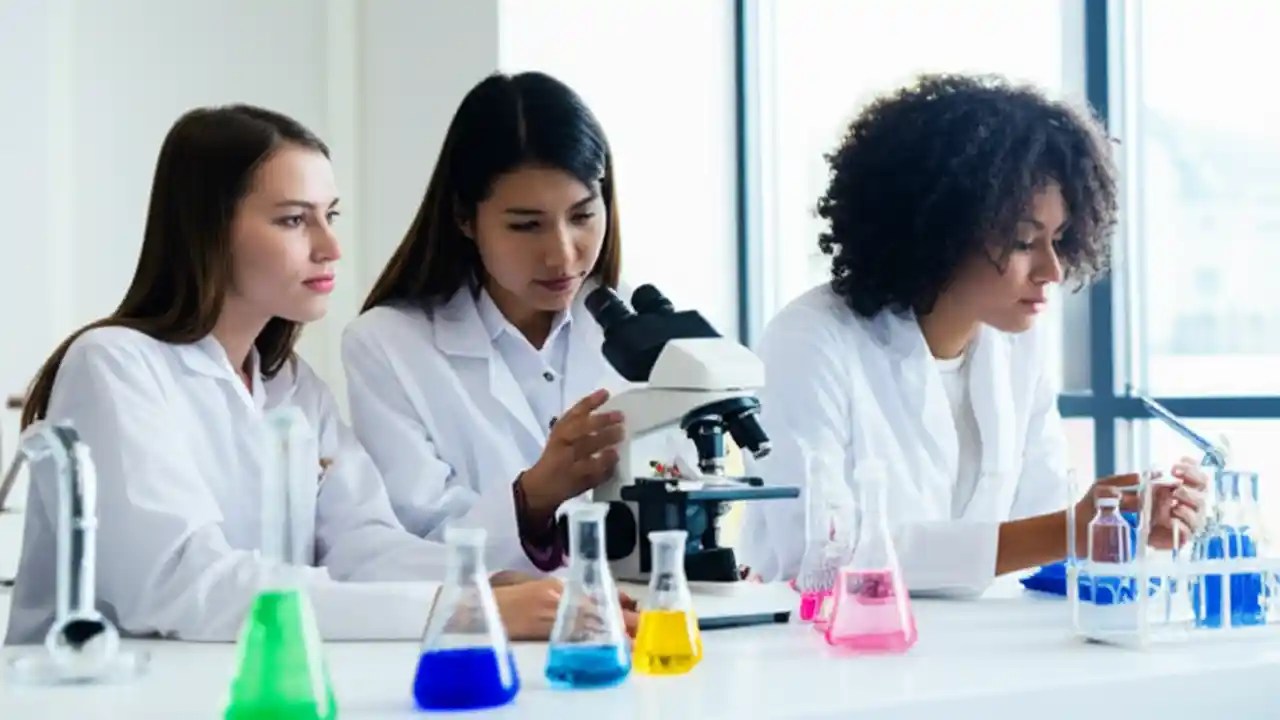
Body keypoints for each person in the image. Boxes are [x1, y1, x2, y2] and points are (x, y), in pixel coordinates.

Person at [5, 105, 594, 646]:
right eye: (293, 220)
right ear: (207, 232)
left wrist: (499, 585)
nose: (330, 246)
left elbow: (364, 549)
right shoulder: (114, 364)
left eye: (330, 216)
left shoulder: (291, 386)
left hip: (242, 689)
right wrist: (459, 608)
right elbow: (183, 586)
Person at [739, 74, 1207, 594]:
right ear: (941, 230)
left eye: (1059, 239)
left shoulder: (1016, 345)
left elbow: (1044, 537)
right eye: (1025, 241)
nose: (1052, 269)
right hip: (834, 661)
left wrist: (1124, 524)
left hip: (980, 660)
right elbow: (821, 557)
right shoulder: (810, 342)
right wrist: (1069, 530)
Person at [343, 72, 628, 573]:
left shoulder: (636, 327)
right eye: (526, 225)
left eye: (582, 216)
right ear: (464, 217)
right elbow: (417, 542)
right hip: (485, 635)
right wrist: (536, 492)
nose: (562, 254)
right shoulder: (387, 345)